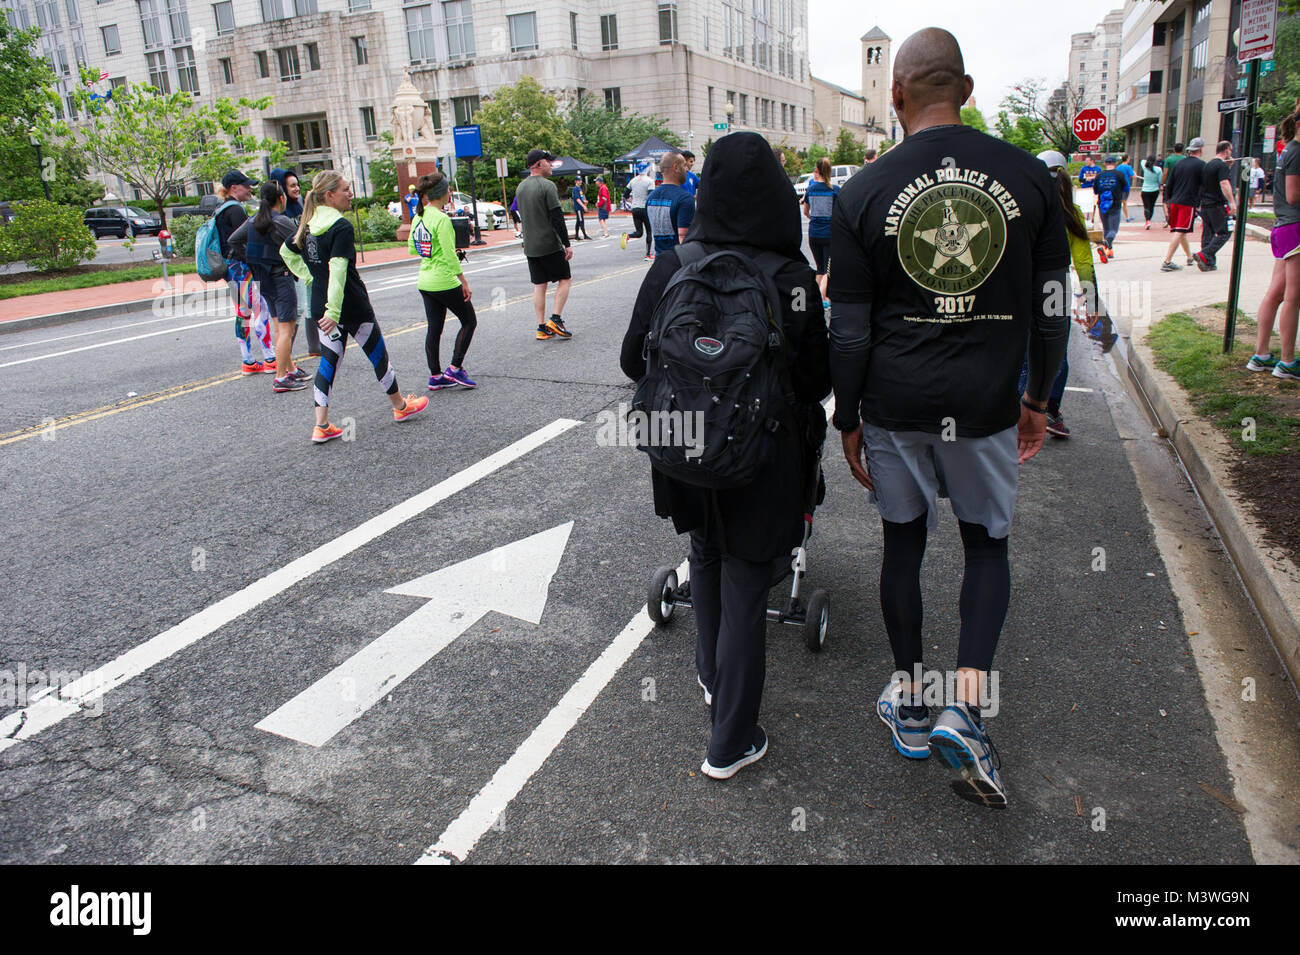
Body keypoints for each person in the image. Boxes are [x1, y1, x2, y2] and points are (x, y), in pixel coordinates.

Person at [829, 27, 1069, 809]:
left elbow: (851, 324)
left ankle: (910, 701)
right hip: (987, 403)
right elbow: (1053, 310)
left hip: (894, 404)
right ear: (965, 90)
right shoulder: (1030, 178)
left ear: (895, 95)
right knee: (984, 543)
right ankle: (965, 702)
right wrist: (1037, 398)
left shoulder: (863, 192)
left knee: (903, 541)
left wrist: (846, 416)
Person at [619, 131, 831, 780]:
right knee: (745, 579)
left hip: (682, 448)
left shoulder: (672, 264)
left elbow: (633, 360)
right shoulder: (791, 275)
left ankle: (713, 680)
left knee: (704, 556)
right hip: (762, 458)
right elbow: (818, 379)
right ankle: (730, 741)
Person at [280, 171, 428, 443]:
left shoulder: (309, 224)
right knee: (378, 356)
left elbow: (286, 252)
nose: (350, 193)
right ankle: (400, 407)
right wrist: (334, 311)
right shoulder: (340, 227)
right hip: (351, 306)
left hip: (321, 308)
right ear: (329, 195)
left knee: (328, 364)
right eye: (346, 189)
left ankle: (321, 425)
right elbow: (338, 271)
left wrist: (311, 276)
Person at [228, 181, 308, 393]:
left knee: (278, 326)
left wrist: (251, 258)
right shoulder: (280, 221)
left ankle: (289, 368)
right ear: (281, 198)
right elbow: (302, 241)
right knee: (286, 328)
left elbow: (233, 240)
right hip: (280, 277)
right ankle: (281, 377)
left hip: (262, 278)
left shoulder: (253, 220)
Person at [409, 170, 478, 390]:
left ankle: (435, 375)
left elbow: (413, 248)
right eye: (448, 189)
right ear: (442, 193)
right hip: (444, 280)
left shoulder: (418, 216)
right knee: (469, 321)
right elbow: (449, 255)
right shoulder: (441, 219)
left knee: (434, 327)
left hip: (424, 280)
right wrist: (463, 281)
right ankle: (455, 368)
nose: (451, 192)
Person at [1247, 110, 1300, 381]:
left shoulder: (1288, 150)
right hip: (1295, 228)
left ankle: (1262, 355)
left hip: (1284, 228)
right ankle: (1288, 361)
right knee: (1293, 297)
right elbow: (1293, 195)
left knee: (1276, 293)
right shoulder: (1297, 151)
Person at [215, 170, 277, 376]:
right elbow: (245, 239)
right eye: (246, 185)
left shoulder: (220, 210)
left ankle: (248, 360)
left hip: (229, 270)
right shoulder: (236, 211)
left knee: (243, 314)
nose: (250, 189)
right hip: (243, 268)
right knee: (261, 309)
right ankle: (270, 358)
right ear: (234, 188)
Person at [515, 149, 574, 341]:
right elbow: (557, 217)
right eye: (548, 162)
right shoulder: (547, 186)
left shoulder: (521, 188)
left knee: (539, 285)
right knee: (565, 278)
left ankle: (541, 327)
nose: (551, 165)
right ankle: (555, 319)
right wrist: (566, 243)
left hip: (530, 245)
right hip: (549, 243)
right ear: (539, 164)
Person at [270, 168, 319, 357]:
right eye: (291, 185)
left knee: (309, 303)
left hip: (304, 261)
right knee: (299, 308)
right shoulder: (279, 213)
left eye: (297, 184)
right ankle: (285, 351)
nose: (296, 188)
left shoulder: (299, 205)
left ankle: (314, 346)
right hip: (289, 265)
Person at [1160, 138, 1205, 271]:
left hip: (1175, 201)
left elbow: (1170, 183)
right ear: (1201, 150)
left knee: (1181, 231)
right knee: (1180, 231)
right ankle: (1167, 261)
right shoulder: (1201, 165)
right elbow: (1204, 185)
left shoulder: (1179, 164)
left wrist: (1167, 200)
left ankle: (1189, 256)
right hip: (1188, 202)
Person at [801, 156, 838, 307]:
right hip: (829, 233)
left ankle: (814, 298)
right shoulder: (835, 190)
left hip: (814, 232)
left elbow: (805, 212)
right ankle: (823, 299)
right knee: (828, 269)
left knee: (819, 268)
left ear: (817, 170)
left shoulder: (811, 189)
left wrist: (814, 217)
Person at [1193, 141, 1235, 272]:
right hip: (1217, 204)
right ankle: (1204, 254)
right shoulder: (1222, 166)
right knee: (1225, 232)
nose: (1231, 153)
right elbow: (1224, 183)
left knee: (1208, 233)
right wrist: (1232, 202)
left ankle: (1208, 262)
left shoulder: (1208, 165)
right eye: (1231, 150)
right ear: (1227, 150)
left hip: (1206, 204)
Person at [646, 151, 695, 256]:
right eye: (684, 166)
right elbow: (683, 236)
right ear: (676, 167)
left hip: (659, 260)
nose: (686, 170)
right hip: (678, 262)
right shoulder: (685, 199)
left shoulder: (650, 198)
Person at [1092, 155, 1127, 257]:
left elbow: (1095, 191)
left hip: (1102, 204)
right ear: (1115, 164)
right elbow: (1125, 187)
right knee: (1113, 230)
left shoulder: (1099, 175)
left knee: (1106, 228)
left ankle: (1109, 251)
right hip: (1115, 204)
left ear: (1105, 164)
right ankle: (1104, 245)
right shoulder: (1119, 174)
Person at [621, 166, 656, 258]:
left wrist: (632, 201)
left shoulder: (633, 180)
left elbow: (625, 194)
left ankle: (628, 236)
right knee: (649, 231)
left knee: (639, 232)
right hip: (645, 208)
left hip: (635, 208)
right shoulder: (650, 181)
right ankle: (648, 254)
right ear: (647, 169)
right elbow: (650, 196)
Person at [1160, 142, 1186, 230]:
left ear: (1174, 149)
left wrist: (1162, 183)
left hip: (1169, 183)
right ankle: (1177, 219)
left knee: (1165, 201)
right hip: (1181, 184)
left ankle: (1167, 216)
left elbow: (1165, 173)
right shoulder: (1185, 159)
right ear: (1183, 150)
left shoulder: (1169, 159)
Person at [1139, 154, 1162, 230]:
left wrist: (1148, 161)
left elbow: (1142, 161)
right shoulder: (1158, 169)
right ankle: (1149, 220)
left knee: (1146, 206)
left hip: (1145, 189)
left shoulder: (1145, 167)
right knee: (1152, 206)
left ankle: (1147, 221)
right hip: (1155, 190)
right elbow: (1160, 180)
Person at [570, 176, 591, 240]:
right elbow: (577, 199)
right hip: (578, 208)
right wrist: (583, 206)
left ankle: (576, 236)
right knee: (581, 221)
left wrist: (584, 201)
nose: (580, 181)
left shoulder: (579, 189)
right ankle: (585, 235)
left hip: (580, 207)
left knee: (578, 221)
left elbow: (581, 198)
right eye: (579, 180)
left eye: (581, 180)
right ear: (576, 181)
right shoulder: (575, 189)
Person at [1117, 153, 1135, 221]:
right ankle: (1127, 217)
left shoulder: (1118, 167)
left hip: (1119, 186)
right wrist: (1135, 173)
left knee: (1119, 202)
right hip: (1125, 186)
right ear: (1127, 159)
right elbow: (1133, 175)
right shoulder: (1128, 167)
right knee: (1124, 202)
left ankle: (1122, 216)